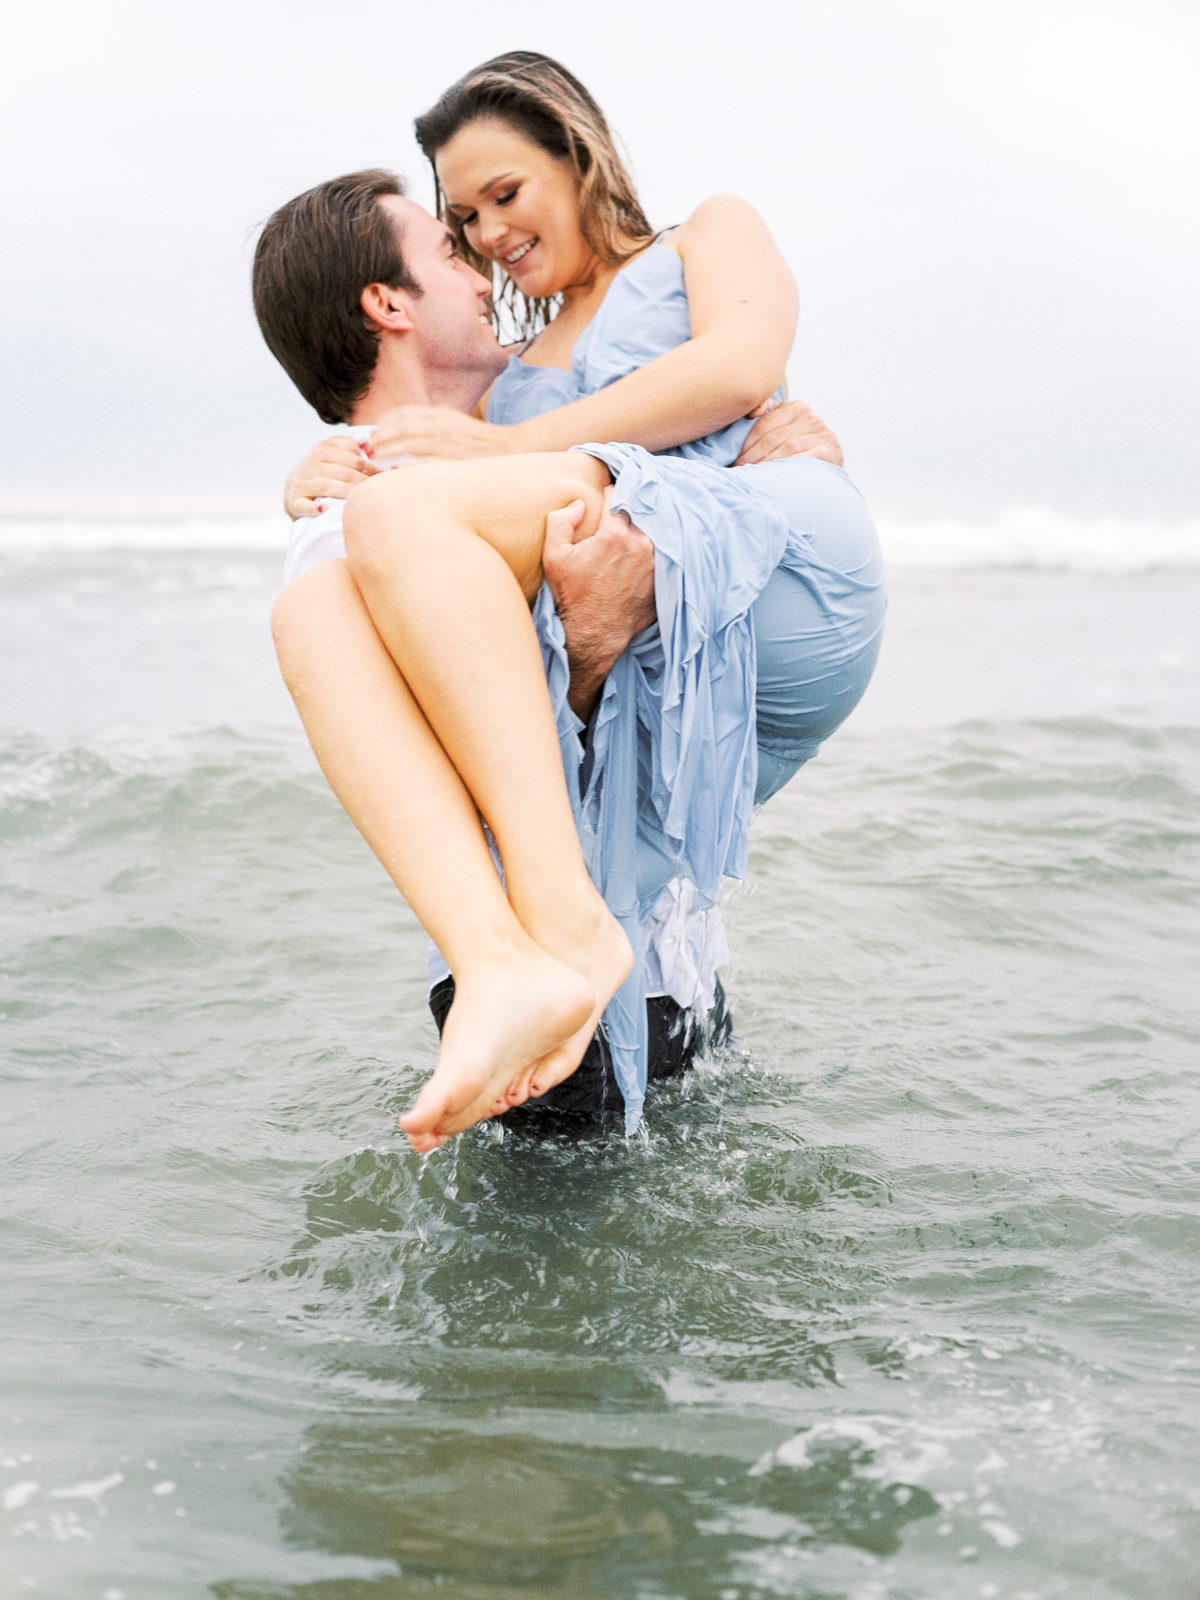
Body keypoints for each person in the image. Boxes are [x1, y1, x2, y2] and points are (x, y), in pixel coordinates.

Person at [272, 55, 885, 1134]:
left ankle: (553, 933)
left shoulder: (703, 238)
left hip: (757, 550)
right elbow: (501, 607)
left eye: (504, 194)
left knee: (386, 532)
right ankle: (529, 952)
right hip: (661, 648)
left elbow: (741, 367)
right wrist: (328, 470)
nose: (488, 237)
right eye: (461, 223)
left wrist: (487, 453)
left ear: (577, 151)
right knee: (322, 594)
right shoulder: (507, 385)